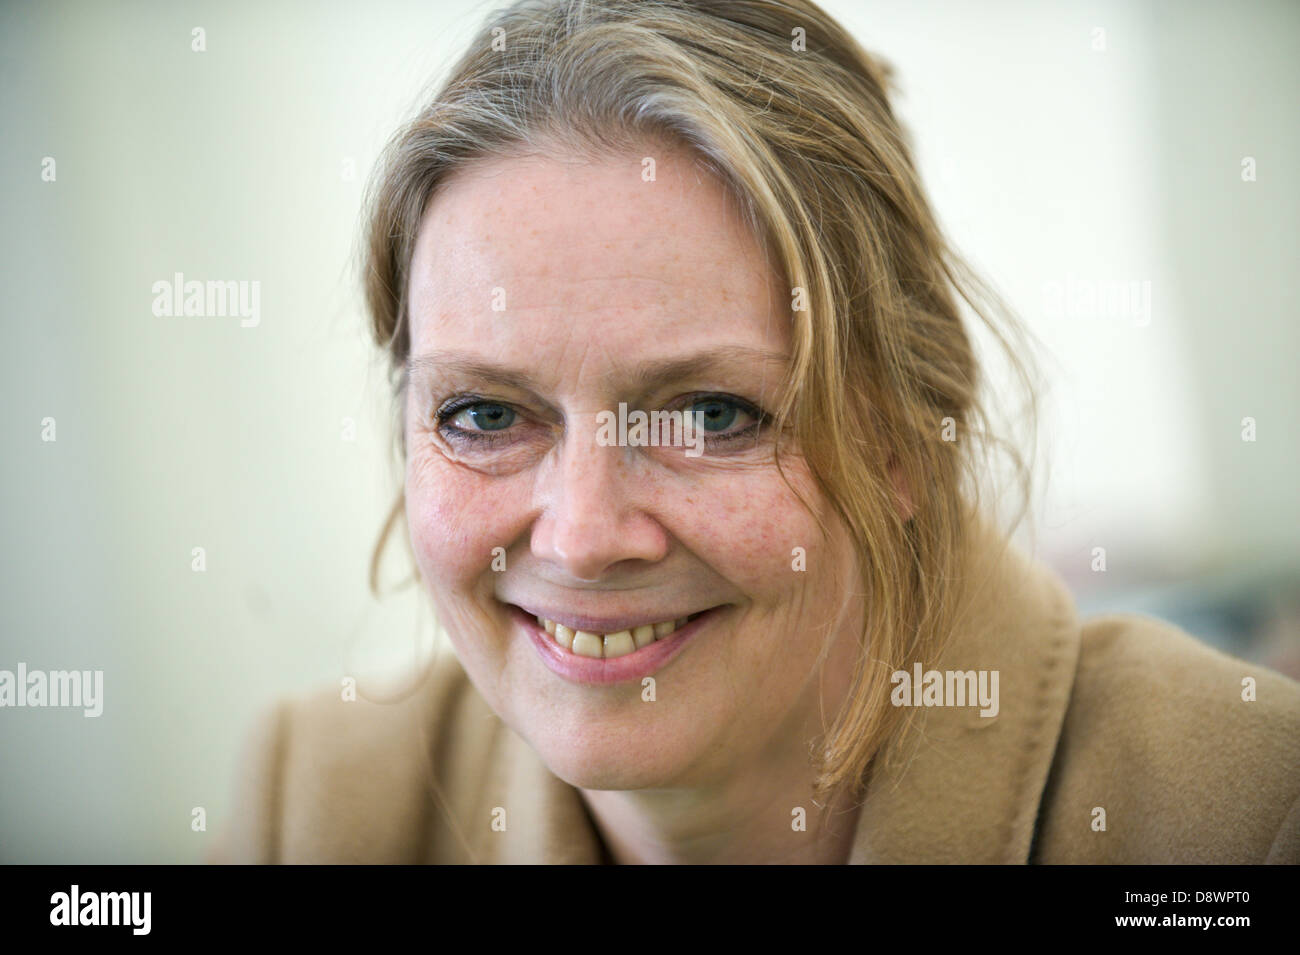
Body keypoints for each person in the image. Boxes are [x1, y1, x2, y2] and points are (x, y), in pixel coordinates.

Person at [212, 0, 1299, 864]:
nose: (585, 537)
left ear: (896, 439)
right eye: (484, 414)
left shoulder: (1244, 810)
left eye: (711, 413)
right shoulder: (311, 807)